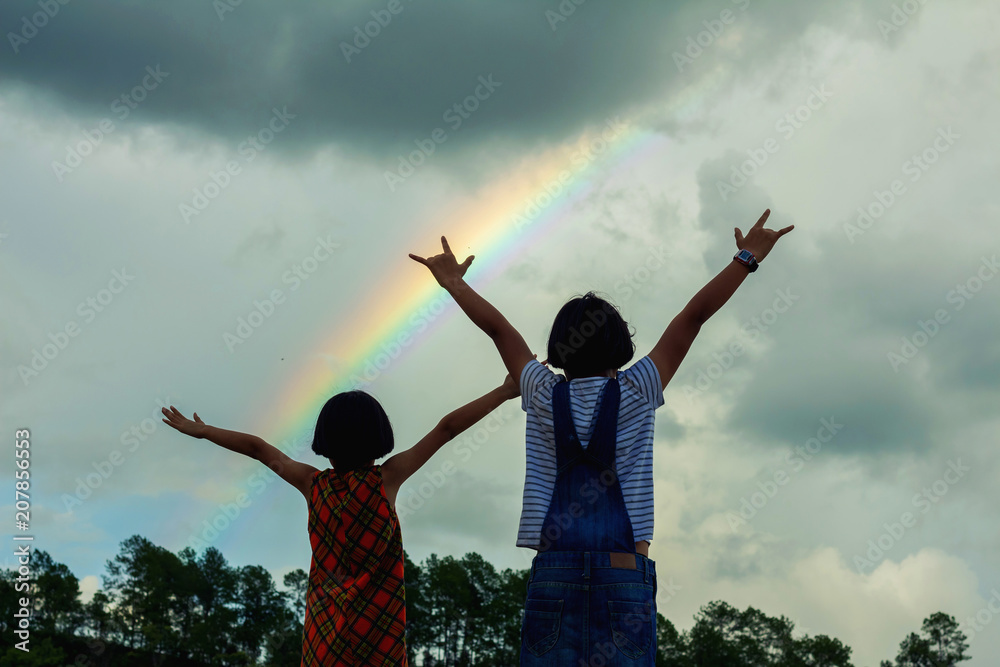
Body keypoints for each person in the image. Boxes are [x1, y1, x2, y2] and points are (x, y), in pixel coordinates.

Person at [409, 209, 793, 665]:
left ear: (556, 351)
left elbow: (498, 328)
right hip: (625, 574)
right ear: (621, 346)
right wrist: (746, 256)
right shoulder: (640, 386)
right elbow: (693, 317)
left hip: (554, 573)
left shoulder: (539, 388)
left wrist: (453, 282)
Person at [161, 374, 521, 666]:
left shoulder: (311, 483)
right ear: (379, 436)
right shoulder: (387, 479)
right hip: (380, 640)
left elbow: (258, 448)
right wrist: (505, 391)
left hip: (324, 641)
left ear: (324, 439)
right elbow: (446, 429)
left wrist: (206, 432)